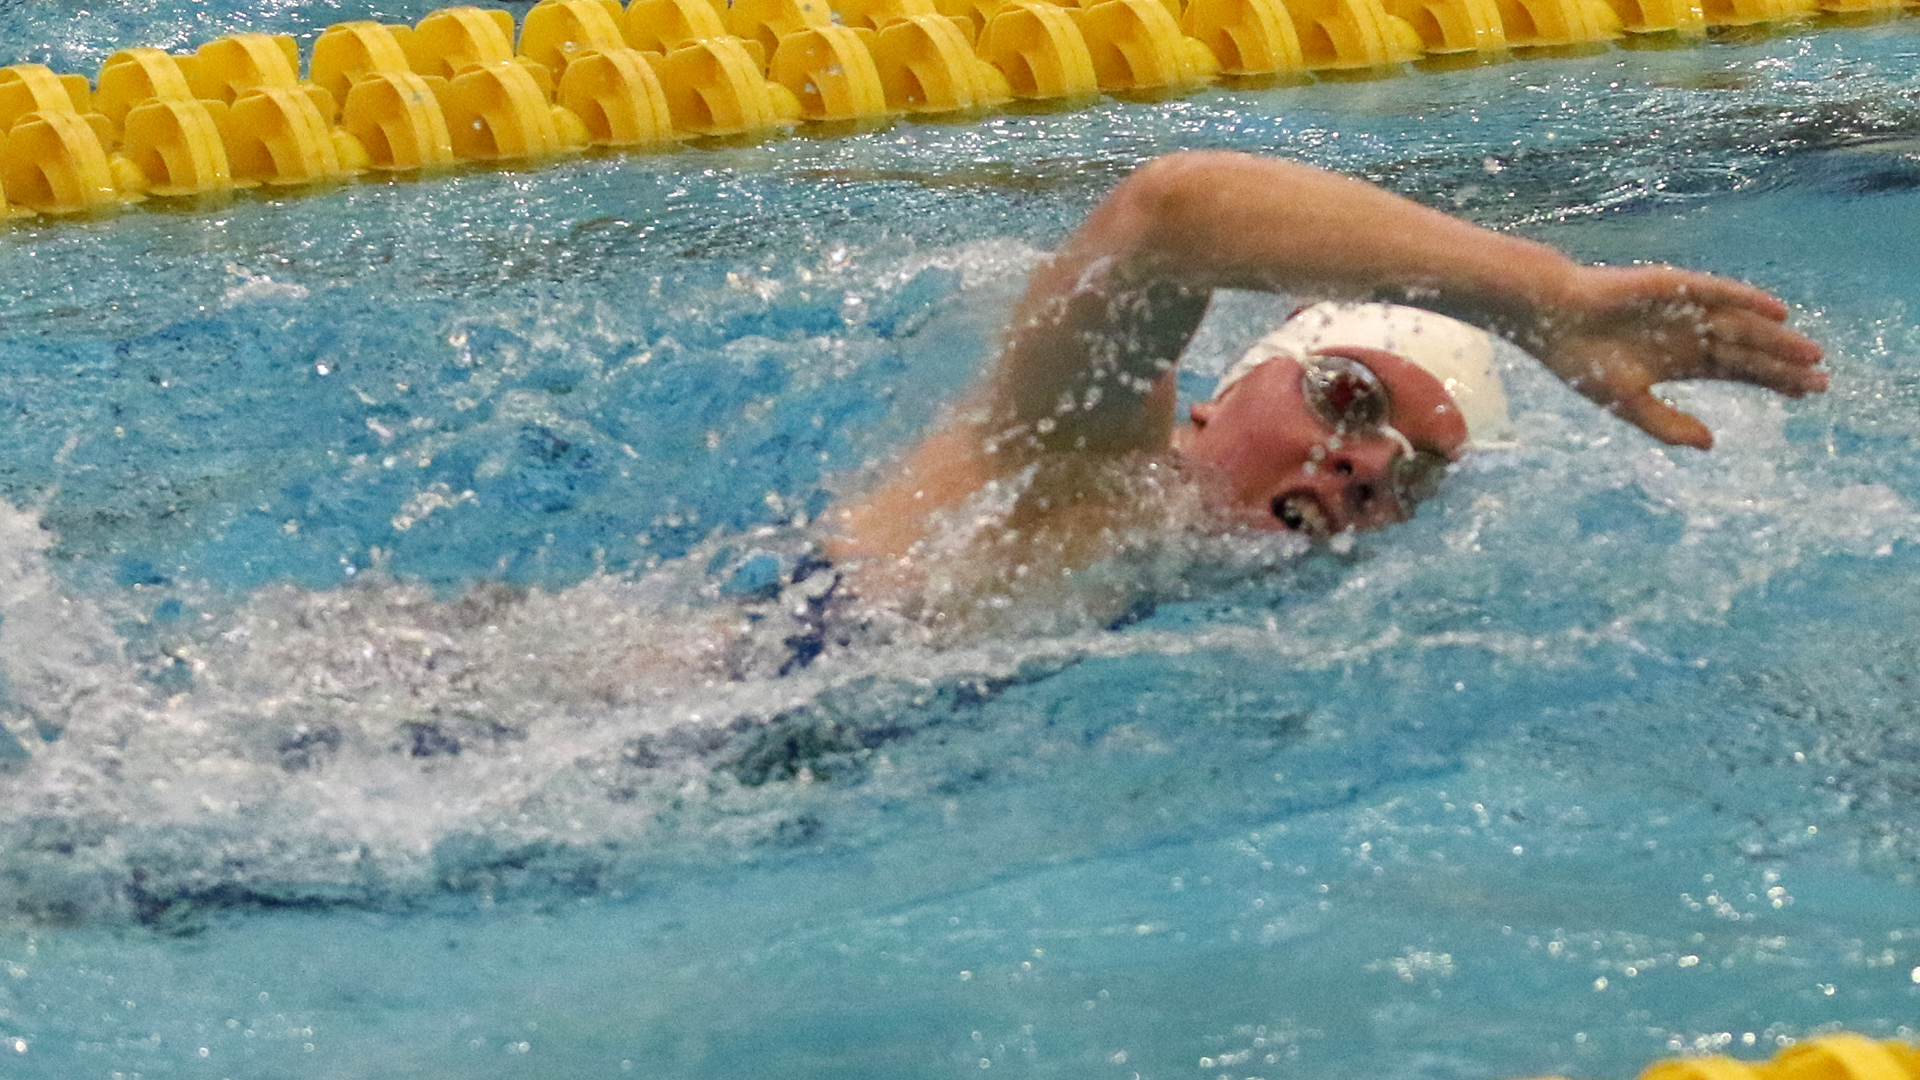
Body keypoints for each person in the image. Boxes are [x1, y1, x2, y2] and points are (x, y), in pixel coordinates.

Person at [815, 150, 1827, 629]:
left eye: (1415, 477)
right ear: (1219, 395)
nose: (1367, 462)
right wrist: (1544, 301)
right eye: (1349, 399)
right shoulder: (1074, 460)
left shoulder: (1200, 603)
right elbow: (1167, 216)